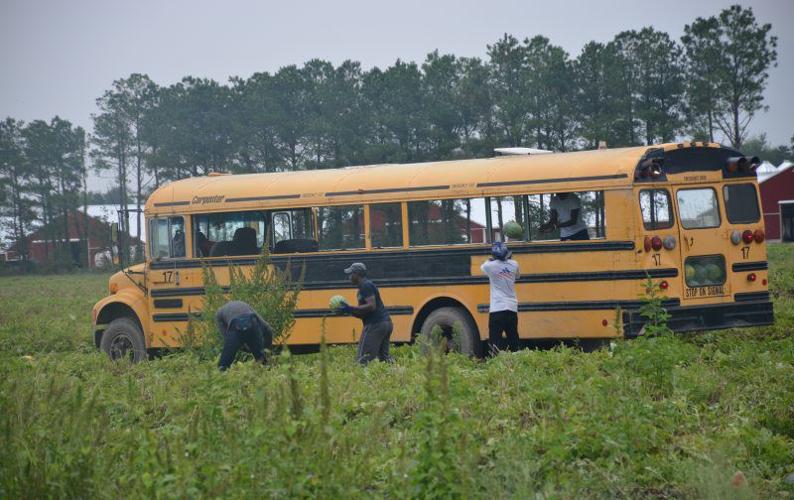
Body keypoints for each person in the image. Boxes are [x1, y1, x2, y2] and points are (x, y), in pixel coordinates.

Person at [337, 262, 393, 365]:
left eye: (351, 274)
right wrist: (348, 311)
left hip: (376, 324)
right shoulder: (362, 288)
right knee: (384, 358)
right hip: (385, 323)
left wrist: (350, 308)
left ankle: (358, 379)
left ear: (357, 274)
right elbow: (363, 313)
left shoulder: (366, 286)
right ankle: (398, 375)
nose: (349, 277)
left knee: (362, 358)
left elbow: (372, 306)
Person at [481, 242, 520, 355]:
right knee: (514, 339)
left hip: (497, 309)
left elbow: (483, 266)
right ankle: (517, 364)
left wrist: (491, 260)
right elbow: (517, 276)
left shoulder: (490, 266)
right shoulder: (514, 264)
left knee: (495, 341)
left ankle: (495, 364)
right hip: (512, 308)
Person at [216, 300, 273, 371]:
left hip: (235, 325)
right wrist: (266, 347)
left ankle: (222, 374)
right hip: (251, 321)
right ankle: (267, 372)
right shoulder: (243, 304)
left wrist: (239, 347)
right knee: (260, 358)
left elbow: (225, 336)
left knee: (224, 363)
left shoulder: (219, 314)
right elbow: (266, 326)